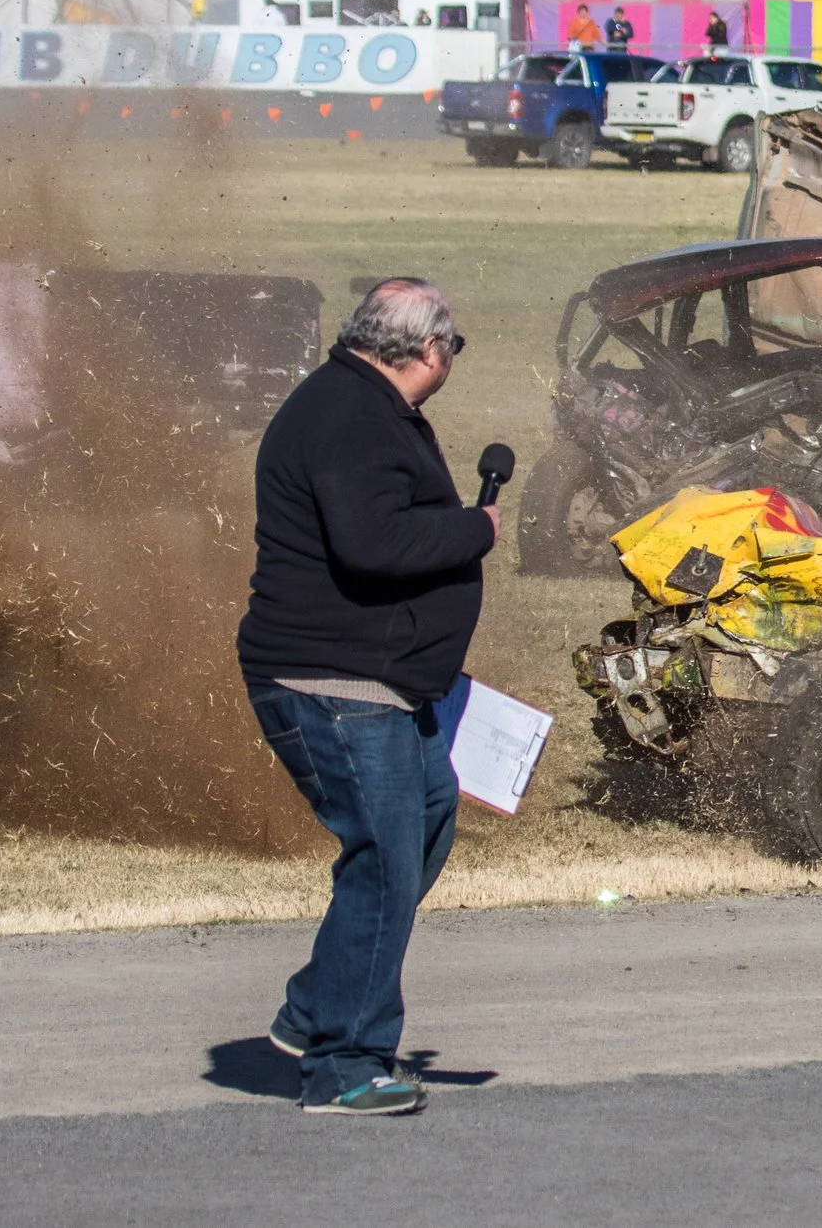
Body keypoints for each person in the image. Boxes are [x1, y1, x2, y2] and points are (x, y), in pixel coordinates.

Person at [237, 279, 497, 1117]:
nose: (451, 360)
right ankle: (345, 1062)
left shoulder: (362, 405)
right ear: (428, 351)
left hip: (382, 683)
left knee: (422, 825)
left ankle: (316, 1007)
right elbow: (374, 544)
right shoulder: (349, 417)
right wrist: (477, 529)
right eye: (452, 347)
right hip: (335, 684)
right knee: (384, 862)